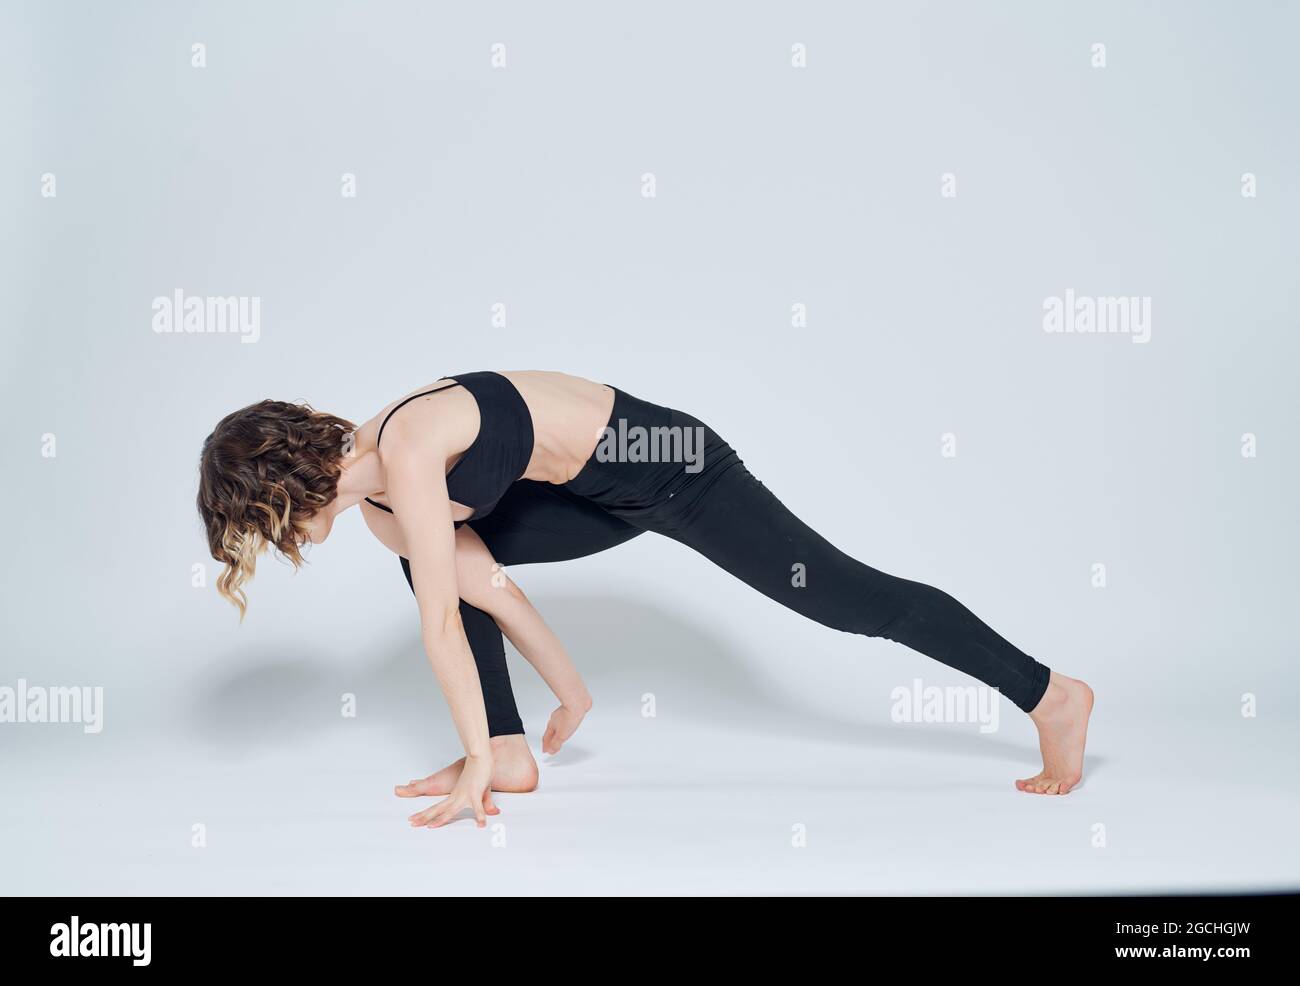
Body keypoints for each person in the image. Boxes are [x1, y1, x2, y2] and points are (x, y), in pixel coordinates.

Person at [197, 370, 1094, 827]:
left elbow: (438, 626)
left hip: (671, 470)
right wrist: (568, 695)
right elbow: (485, 599)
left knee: (841, 599)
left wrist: (458, 758)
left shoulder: (412, 444)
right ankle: (509, 753)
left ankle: (1050, 693)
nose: (270, 549)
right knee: (437, 568)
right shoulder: (388, 516)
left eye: (257, 527)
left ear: (282, 491)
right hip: (581, 500)